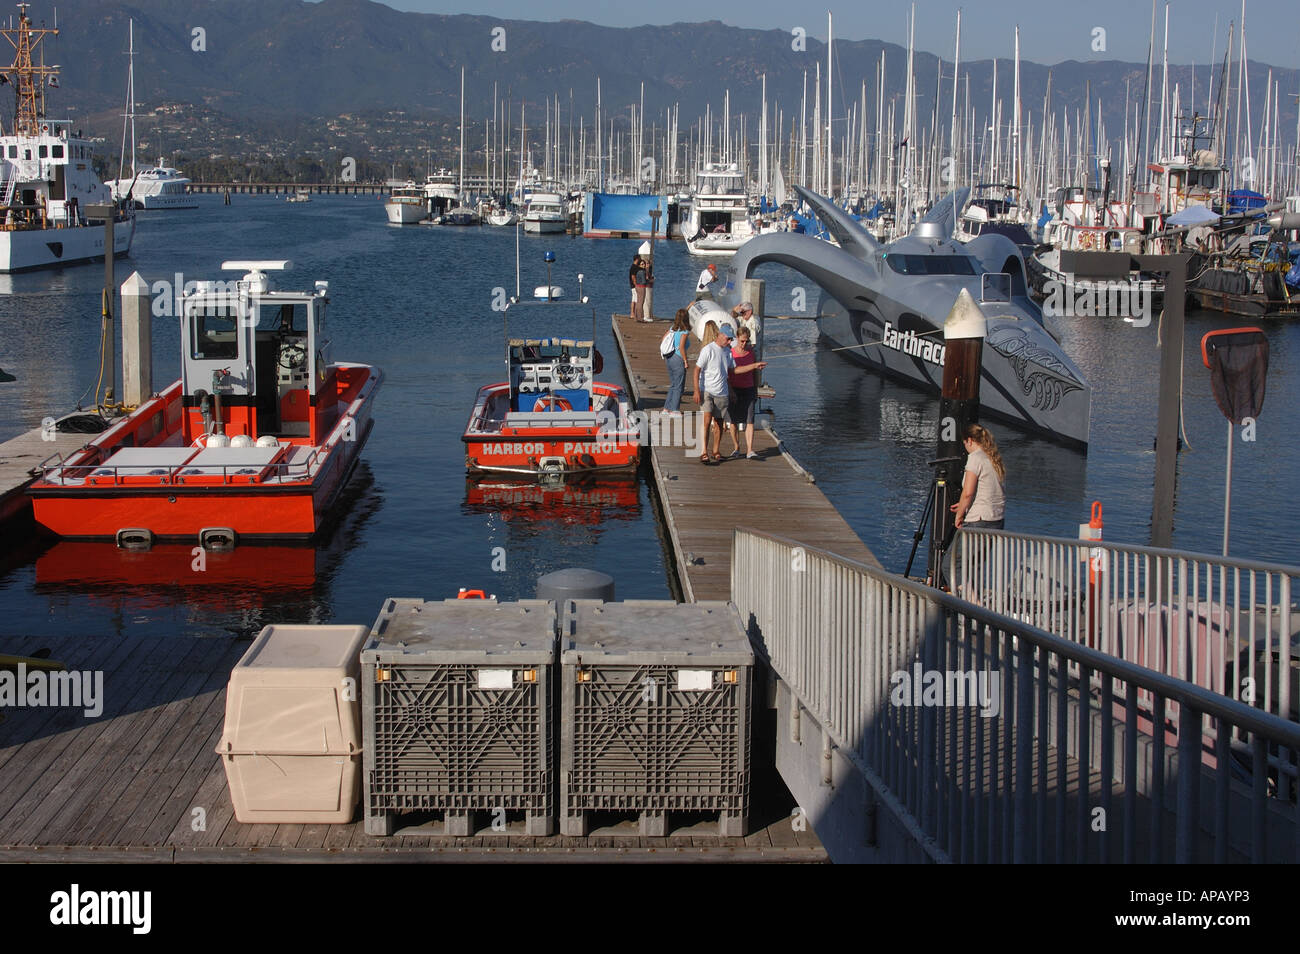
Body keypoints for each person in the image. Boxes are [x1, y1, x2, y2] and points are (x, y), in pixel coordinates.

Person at [693, 323, 765, 464]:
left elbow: (734, 370)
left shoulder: (727, 351)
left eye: (731, 339)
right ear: (721, 335)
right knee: (707, 420)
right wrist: (696, 390)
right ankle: (703, 452)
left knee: (719, 422)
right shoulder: (708, 350)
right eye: (729, 339)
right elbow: (697, 370)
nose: (730, 342)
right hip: (707, 390)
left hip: (722, 391)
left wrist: (754, 366)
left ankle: (716, 451)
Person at [950, 423, 1006, 529]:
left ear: (969, 441)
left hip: (979, 519)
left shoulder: (975, 458)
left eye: (964, 443)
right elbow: (988, 490)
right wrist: (962, 505)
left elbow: (968, 493)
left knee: (959, 546)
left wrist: (959, 516)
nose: (965, 448)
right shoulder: (994, 458)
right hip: (997, 519)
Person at [727, 326, 761, 458]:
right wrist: (730, 391)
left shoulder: (751, 353)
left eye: (746, 341)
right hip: (735, 388)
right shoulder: (731, 353)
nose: (744, 344)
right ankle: (736, 446)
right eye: (742, 341)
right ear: (737, 339)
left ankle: (750, 449)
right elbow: (728, 373)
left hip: (749, 388)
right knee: (733, 421)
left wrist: (756, 388)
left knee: (750, 419)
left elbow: (755, 372)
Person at [662, 309, 691, 415]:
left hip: (669, 357)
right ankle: (674, 410)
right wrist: (685, 361)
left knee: (673, 384)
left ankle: (666, 409)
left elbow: (663, 339)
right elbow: (682, 347)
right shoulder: (685, 331)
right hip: (678, 358)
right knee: (679, 385)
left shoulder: (673, 328)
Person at [634, 249, 654, 321]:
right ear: (639, 265)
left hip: (638, 287)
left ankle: (637, 317)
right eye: (642, 264)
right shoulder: (642, 272)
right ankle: (640, 317)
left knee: (638, 302)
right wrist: (650, 280)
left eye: (644, 264)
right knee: (641, 302)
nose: (644, 265)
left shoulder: (639, 271)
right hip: (641, 287)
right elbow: (643, 281)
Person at [628, 254, 642, 320]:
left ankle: (632, 314)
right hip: (634, 285)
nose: (640, 260)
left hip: (632, 285)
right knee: (636, 299)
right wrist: (636, 284)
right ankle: (635, 314)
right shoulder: (634, 267)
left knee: (633, 299)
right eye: (639, 259)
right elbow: (633, 276)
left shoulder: (633, 266)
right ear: (637, 259)